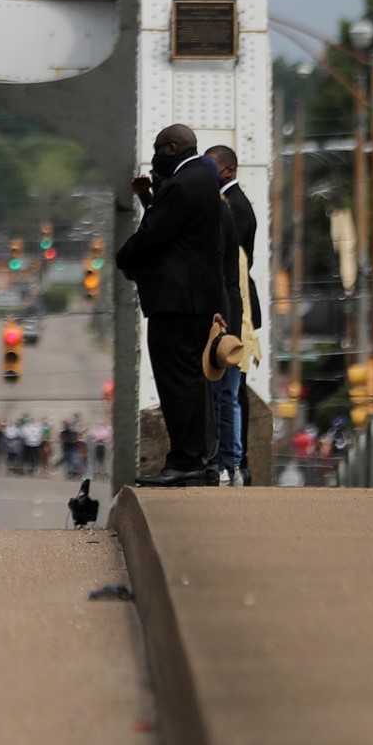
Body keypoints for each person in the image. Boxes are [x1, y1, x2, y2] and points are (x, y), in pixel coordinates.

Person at [117, 124, 230, 487]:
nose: (153, 158)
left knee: (177, 381)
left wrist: (124, 258)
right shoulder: (202, 178)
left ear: (169, 149)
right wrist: (151, 197)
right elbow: (175, 229)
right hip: (195, 300)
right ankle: (199, 459)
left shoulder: (183, 184)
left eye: (156, 150)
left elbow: (154, 232)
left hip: (177, 302)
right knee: (192, 381)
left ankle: (185, 460)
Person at [207, 144, 262, 486]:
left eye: (210, 167)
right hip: (234, 301)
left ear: (227, 170)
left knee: (232, 389)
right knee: (230, 390)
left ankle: (235, 462)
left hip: (235, 303)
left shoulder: (234, 207)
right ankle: (232, 460)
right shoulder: (231, 203)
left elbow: (233, 263)